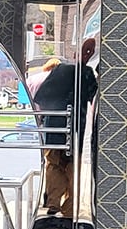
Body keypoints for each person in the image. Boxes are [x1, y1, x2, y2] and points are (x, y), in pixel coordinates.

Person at [33, 40, 97, 219]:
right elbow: (95, 99)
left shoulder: (60, 70)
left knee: (54, 164)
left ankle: (54, 202)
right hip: (76, 127)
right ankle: (69, 208)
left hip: (55, 125)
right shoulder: (87, 74)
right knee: (71, 166)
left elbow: (41, 97)